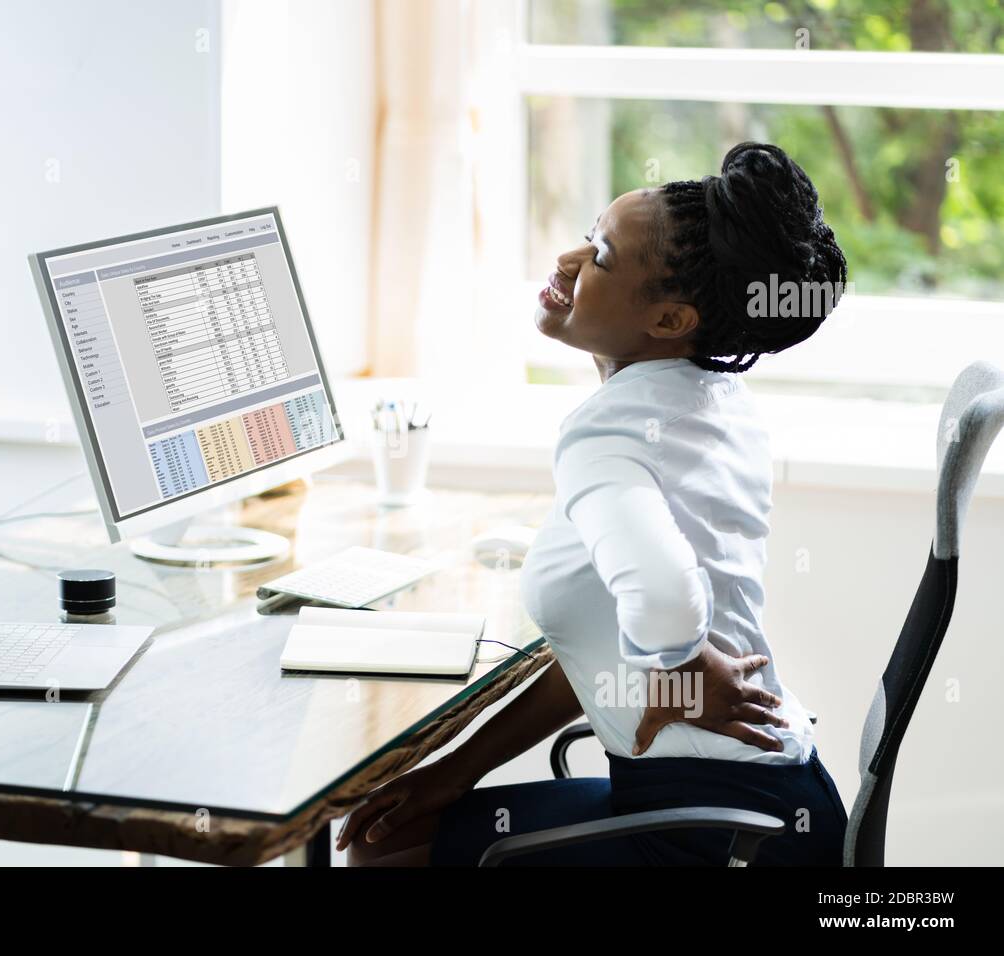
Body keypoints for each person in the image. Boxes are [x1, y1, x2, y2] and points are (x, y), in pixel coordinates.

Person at [339, 142, 851, 866]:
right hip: (777, 806)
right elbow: (603, 644)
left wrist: (677, 661)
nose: (568, 260)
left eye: (602, 256)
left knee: (374, 854)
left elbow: (666, 598)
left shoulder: (606, 432)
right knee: (398, 832)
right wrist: (458, 769)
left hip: (713, 830)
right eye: (588, 234)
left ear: (670, 322)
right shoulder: (711, 399)